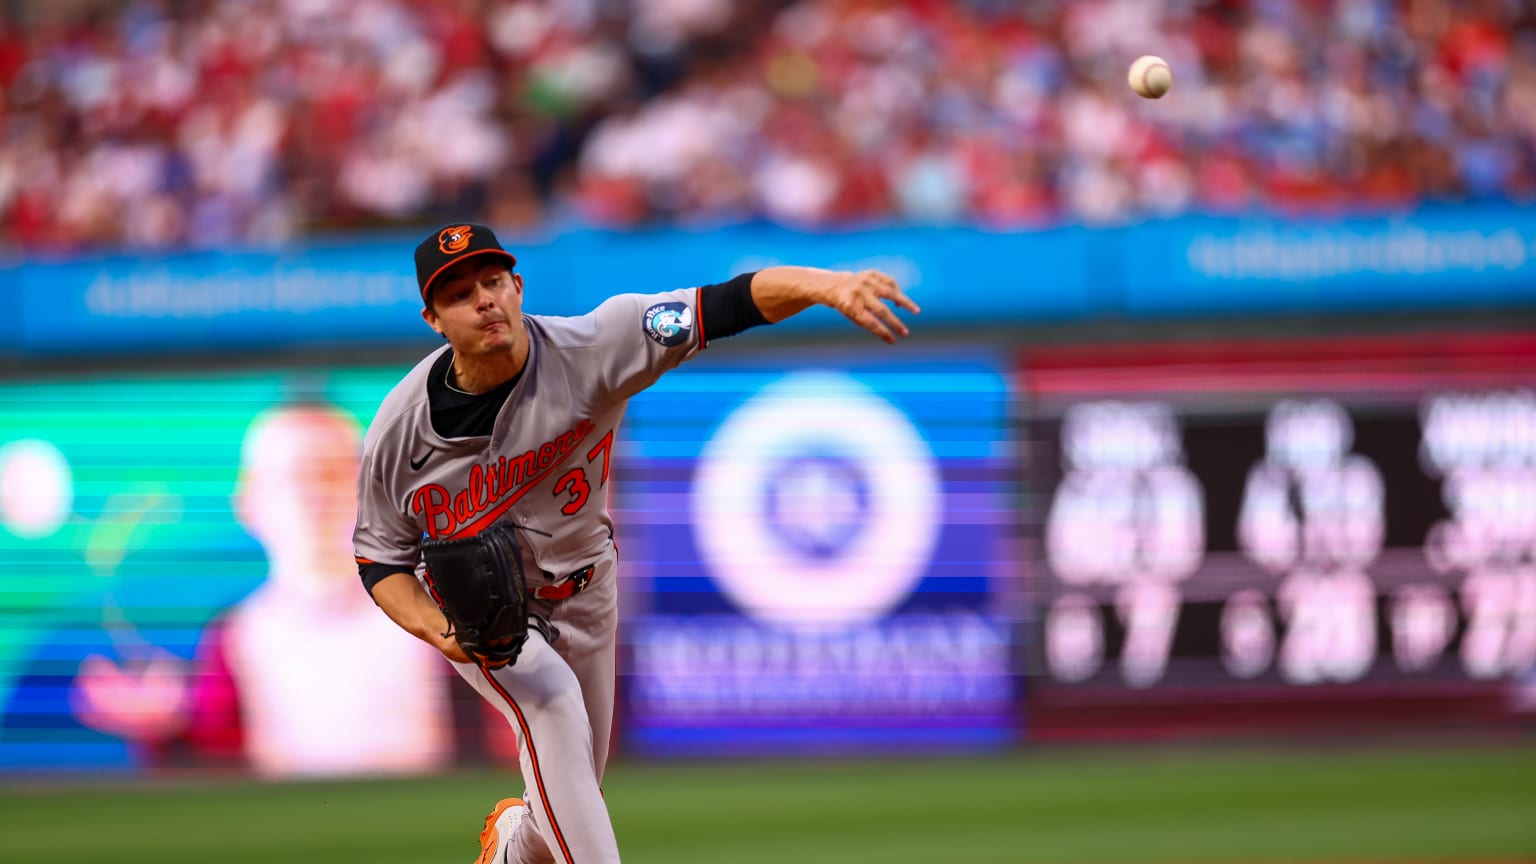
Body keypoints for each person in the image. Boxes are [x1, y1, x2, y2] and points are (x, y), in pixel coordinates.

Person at [353, 222, 918, 864]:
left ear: (517, 286)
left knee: (570, 793)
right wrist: (440, 630)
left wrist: (827, 285)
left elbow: (726, 303)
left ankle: (512, 849)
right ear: (433, 319)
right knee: (555, 707)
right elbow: (379, 558)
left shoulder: (597, 344)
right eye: (459, 294)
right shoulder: (400, 431)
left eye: (493, 281)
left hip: (589, 587)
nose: (484, 300)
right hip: (487, 620)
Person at [74, 402, 452, 778]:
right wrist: (164, 734)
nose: (316, 496)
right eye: (294, 476)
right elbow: (216, 764)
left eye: (333, 472)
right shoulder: (237, 637)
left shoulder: (437, 613)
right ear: (249, 500)